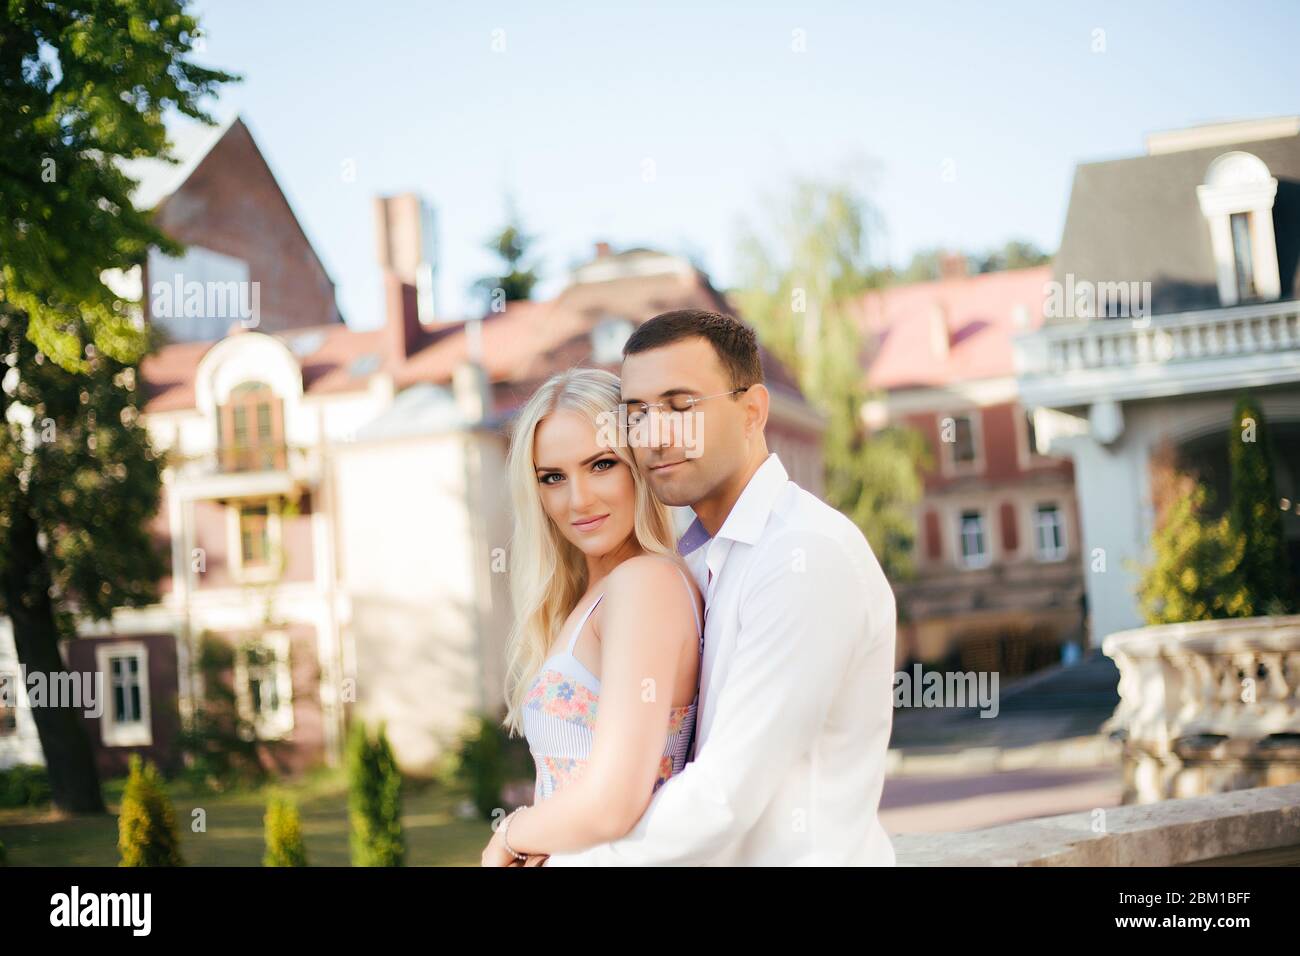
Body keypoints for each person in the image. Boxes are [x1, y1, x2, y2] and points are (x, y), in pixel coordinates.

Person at [541, 308, 897, 866]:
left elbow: (722, 798)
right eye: (637, 415)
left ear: (752, 411)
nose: (656, 436)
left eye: (682, 407)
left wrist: (549, 854)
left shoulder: (803, 556)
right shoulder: (706, 557)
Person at [480, 367, 704, 866]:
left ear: (639, 466)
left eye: (601, 464)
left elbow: (614, 801)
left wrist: (512, 832)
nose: (579, 500)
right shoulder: (598, 594)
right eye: (553, 478)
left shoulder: (645, 584)